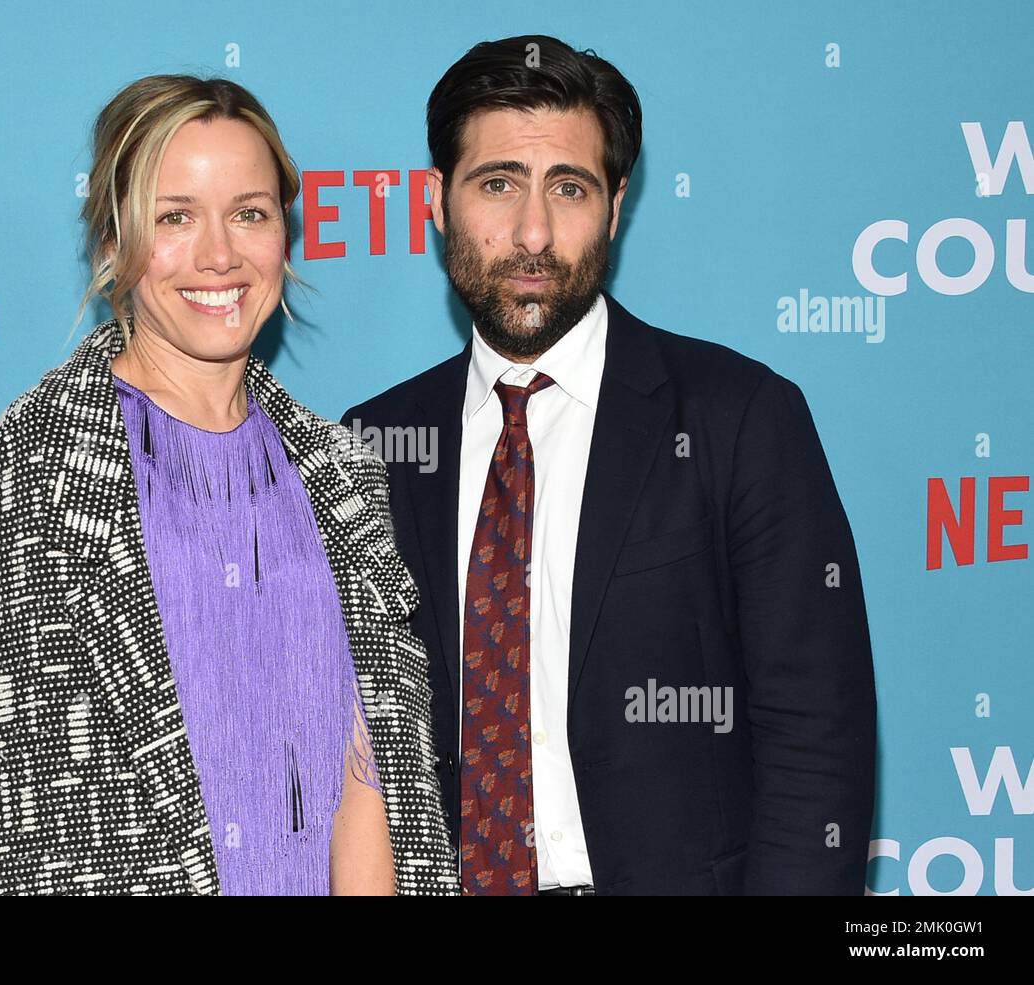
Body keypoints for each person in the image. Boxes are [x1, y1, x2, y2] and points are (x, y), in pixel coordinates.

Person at [0, 74, 459, 896]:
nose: (219, 254)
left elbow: (367, 779)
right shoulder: (34, 474)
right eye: (175, 217)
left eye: (249, 212)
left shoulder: (341, 473)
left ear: (284, 233)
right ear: (112, 246)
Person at [342, 35, 878, 895]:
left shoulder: (737, 417)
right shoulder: (371, 443)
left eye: (569, 188)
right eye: (497, 183)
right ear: (437, 202)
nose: (532, 233)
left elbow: (817, 733)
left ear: (616, 206)